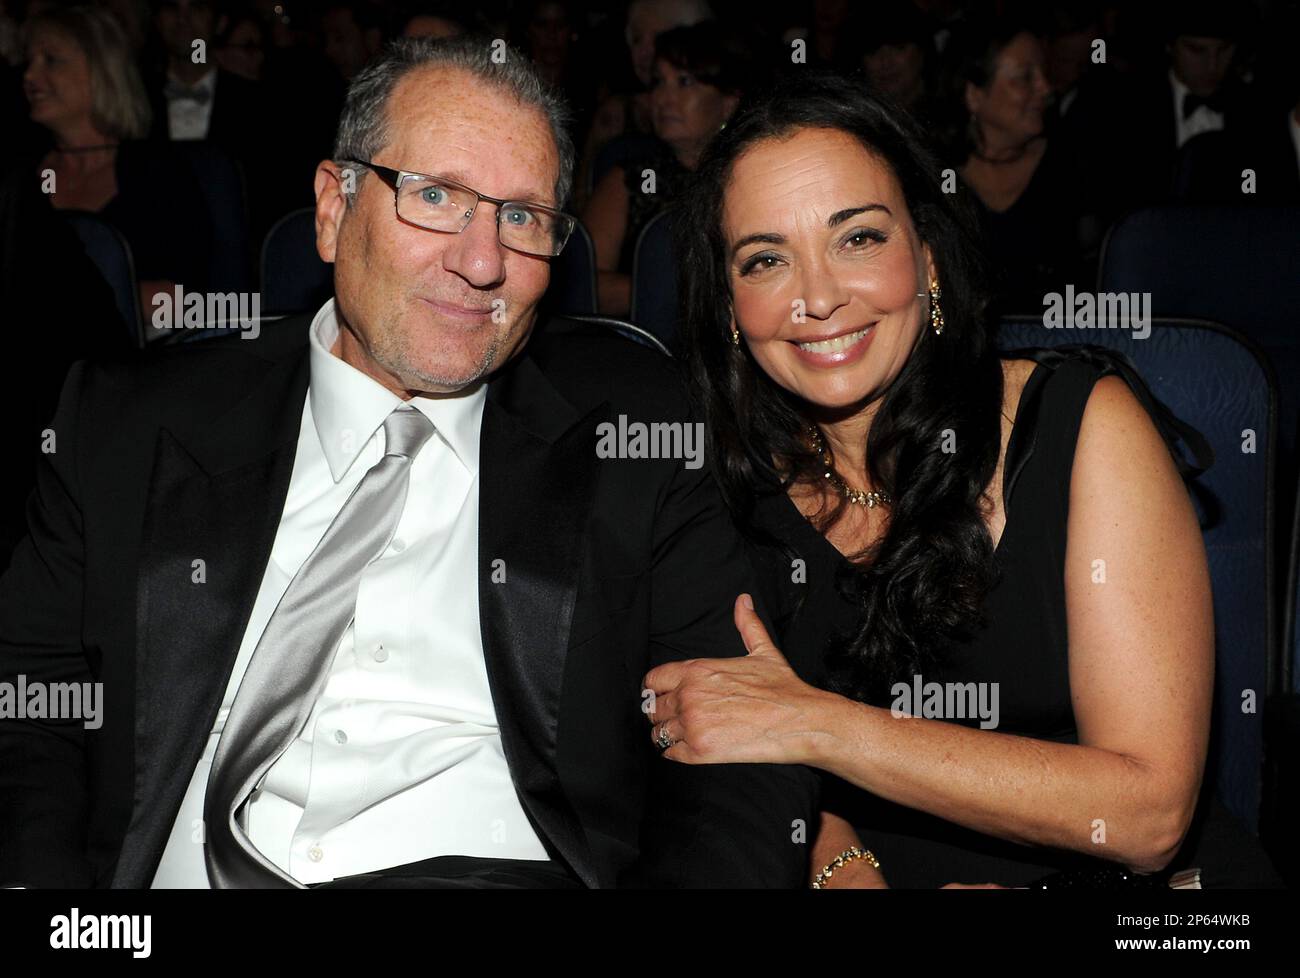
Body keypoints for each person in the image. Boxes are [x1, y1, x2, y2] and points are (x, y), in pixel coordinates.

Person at [0, 36, 819, 890]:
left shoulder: (637, 429)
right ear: (331, 208)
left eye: (522, 217)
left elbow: (745, 743)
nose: (480, 261)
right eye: (434, 196)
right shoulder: (129, 419)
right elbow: (29, 700)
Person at [645, 71, 1279, 888]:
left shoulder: (1080, 425)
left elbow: (1148, 815)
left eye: (859, 238)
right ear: (729, 306)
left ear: (929, 256)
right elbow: (698, 738)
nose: (818, 296)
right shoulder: (713, 472)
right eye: (766, 259)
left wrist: (820, 726)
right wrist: (839, 857)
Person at [21, 3, 212, 316]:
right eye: (29, 61)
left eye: (51, 61)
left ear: (101, 72)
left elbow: (187, 297)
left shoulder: (156, 175)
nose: (30, 75)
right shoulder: (22, 176)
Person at [581, 20, 749, 315]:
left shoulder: (750, 177)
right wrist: (672, 292)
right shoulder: (630, 176)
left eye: (684, 82)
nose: (663, 99)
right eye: (658, 82)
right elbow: (582, 284)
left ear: (728, 103)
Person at [944, 20, 1095, 313]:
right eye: (1026, 77)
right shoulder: (933, 174)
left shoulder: (1071, 162)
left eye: (1043, 73)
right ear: (974, 94)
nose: (1045, 88)